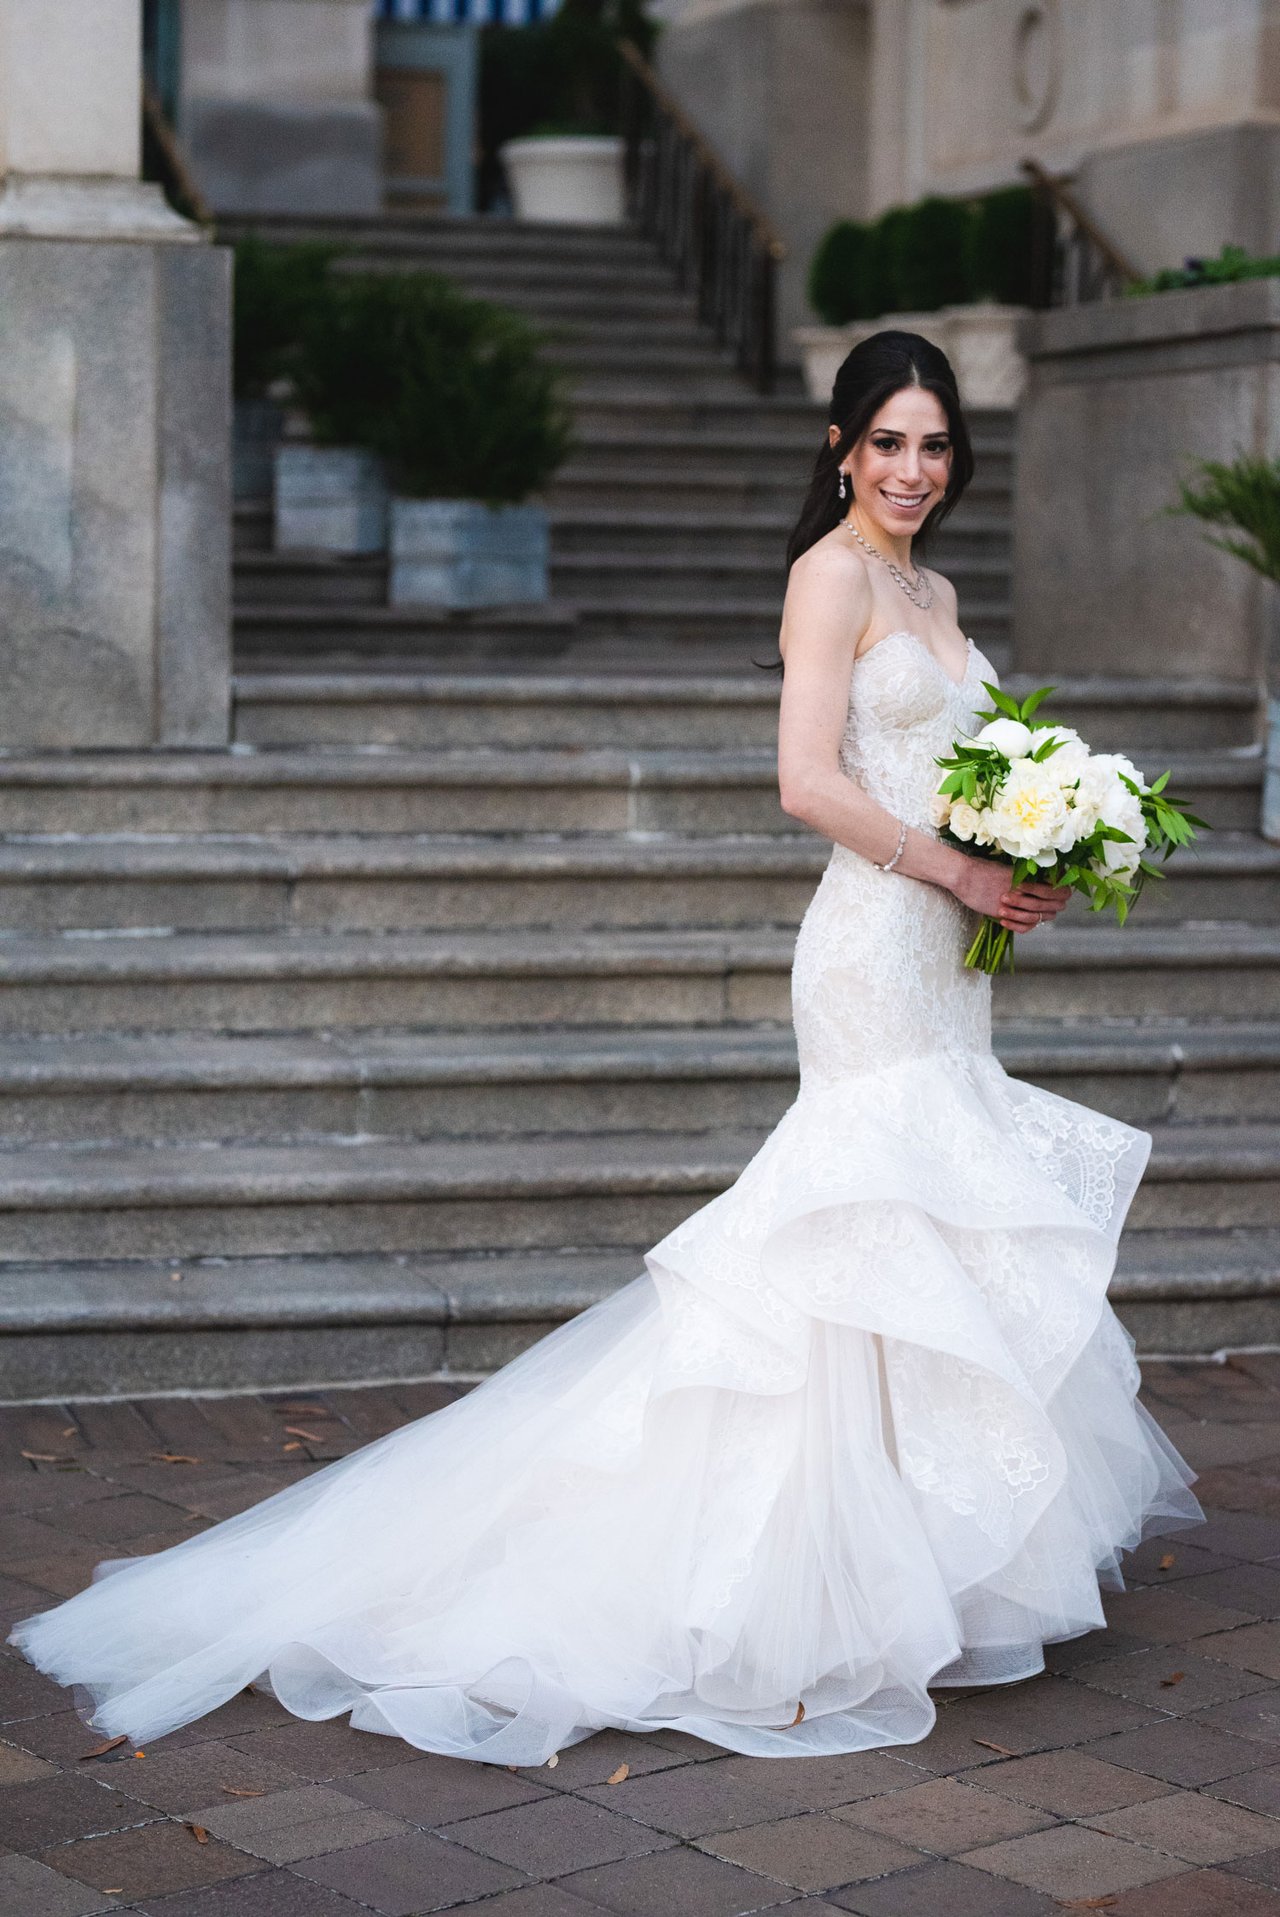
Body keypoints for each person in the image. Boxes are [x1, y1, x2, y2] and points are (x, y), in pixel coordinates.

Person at [10, 331, 1202, 1766]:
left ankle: (912, 1564)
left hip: (951, 965)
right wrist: (950, 870)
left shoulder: (935, 589)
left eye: (935, 443)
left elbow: (958, 771)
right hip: (872, 954)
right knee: (847, 1229)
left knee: (920, 1232)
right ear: (839, 446)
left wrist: (1021, 850)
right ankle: (789, 1584)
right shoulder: (827, 575)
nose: (912, 468)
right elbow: (803, 779)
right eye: (887, 440)